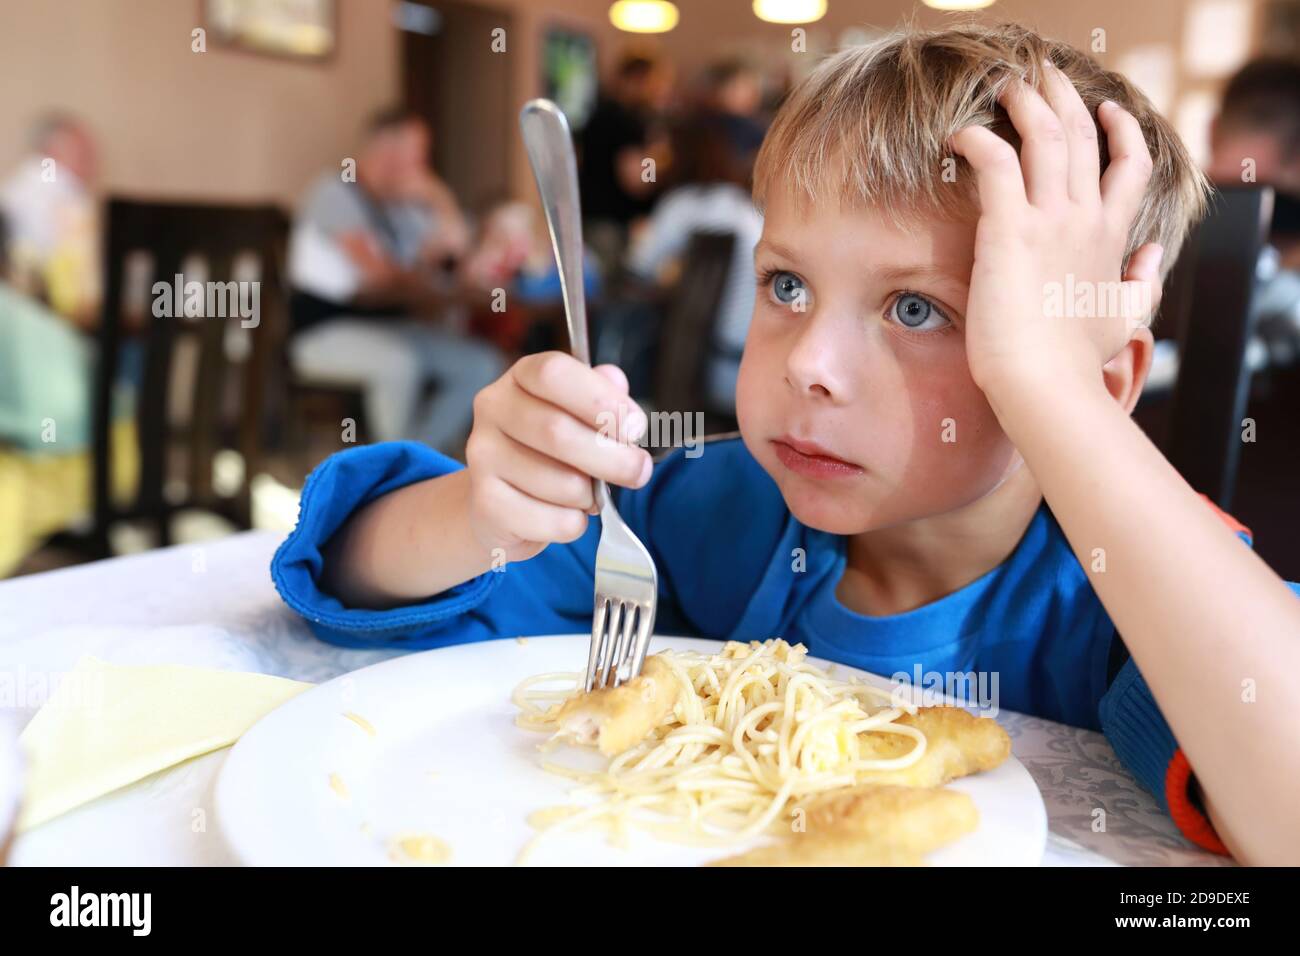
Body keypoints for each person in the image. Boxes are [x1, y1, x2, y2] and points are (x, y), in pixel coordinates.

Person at [271, 24, 1300, 864]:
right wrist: (482, 510)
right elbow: (357, 572)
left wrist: (1052, 395)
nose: (810, 360)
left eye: (916, 307)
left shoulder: (1126, 592)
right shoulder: (715, 510)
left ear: (1096, 381)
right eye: (788, 286)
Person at [287, 107, 504, 452]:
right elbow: (380, 276)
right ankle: (398, 475)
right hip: (323, 330)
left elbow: (455, 258)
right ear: (386, 151)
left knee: (480, 364)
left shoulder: (399, 208)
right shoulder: (334, 191)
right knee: (401, 364)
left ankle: (419, 462)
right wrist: (424, 270)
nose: (422, 167)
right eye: (417, 156)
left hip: (390, 328)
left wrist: (440, 200)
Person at [626, 117, 764, 414]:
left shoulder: (682, 204)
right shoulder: (745, 207)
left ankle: (634, 409)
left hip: (708, 371)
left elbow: (639, 269)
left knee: (631, 322)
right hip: (752, 366)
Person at [577, 54, 673, 279]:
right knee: (610, 295)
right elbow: (637, 181)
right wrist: (659, 159)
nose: (659, 90)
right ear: (635, 80)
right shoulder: (620, 119)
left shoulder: (601, 114)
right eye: (655, 82)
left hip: (599, 218)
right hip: (609, 224)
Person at [0, 113, 100, 325]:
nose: (92, 162)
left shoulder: (16, 187)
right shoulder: (59, 189)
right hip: (49, 317)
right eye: (82, 152)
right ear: (52, 151)